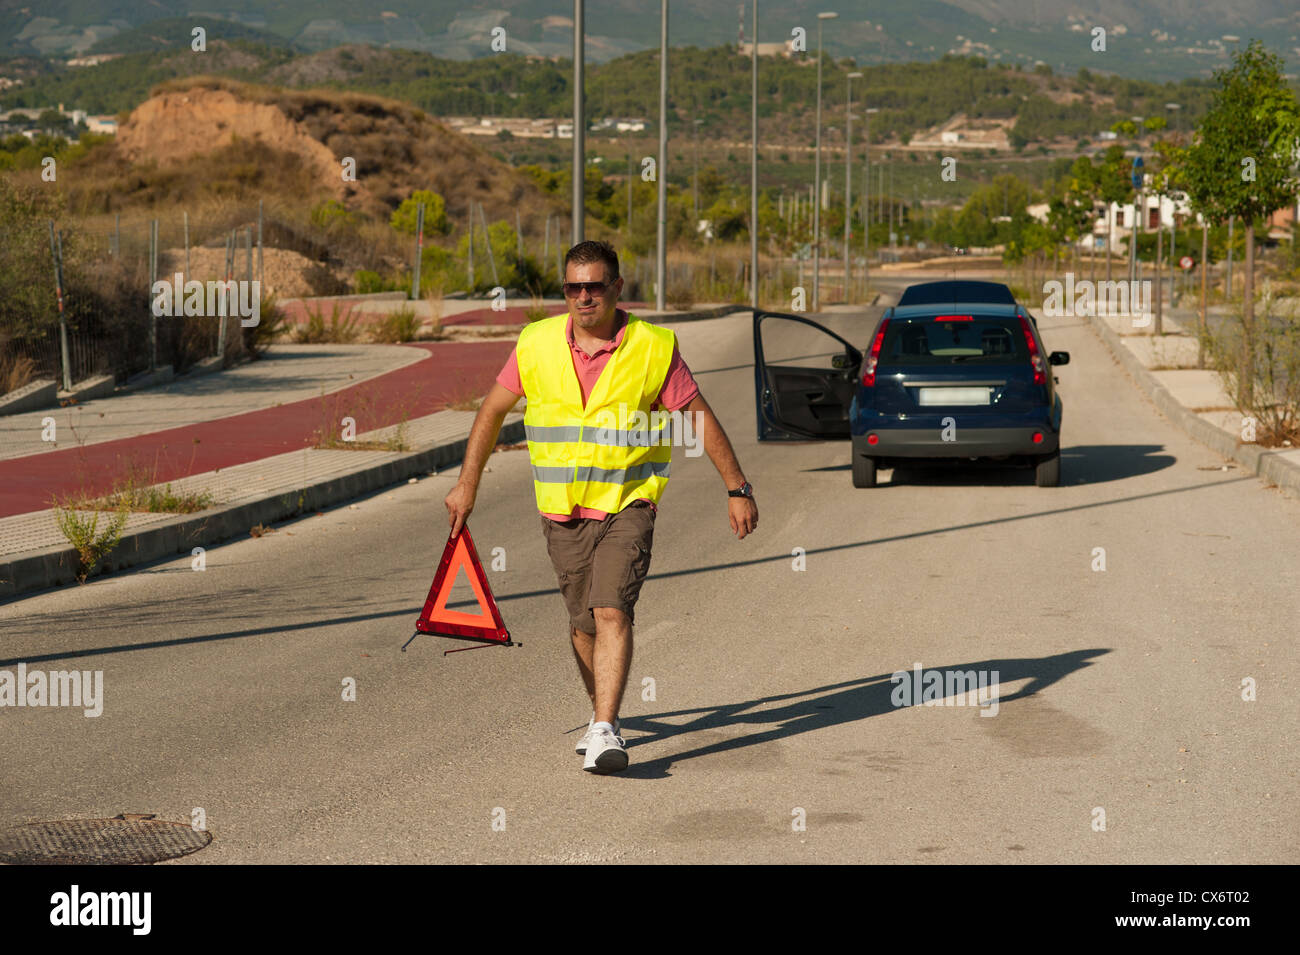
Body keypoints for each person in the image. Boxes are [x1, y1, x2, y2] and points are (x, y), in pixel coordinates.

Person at [444, 239, 757, 774]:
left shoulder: (653, 347)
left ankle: (607, 728)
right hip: (562, 511)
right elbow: (491, 411)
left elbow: (697, 416)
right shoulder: (535, 342)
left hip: (628, 504)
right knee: (583, 623)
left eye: (594, 286)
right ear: (564, 290)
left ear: (616, 287)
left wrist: (736, 487)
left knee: (612, 609)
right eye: (573, 287)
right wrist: (466, 482)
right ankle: (600, 720)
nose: (584, 296)